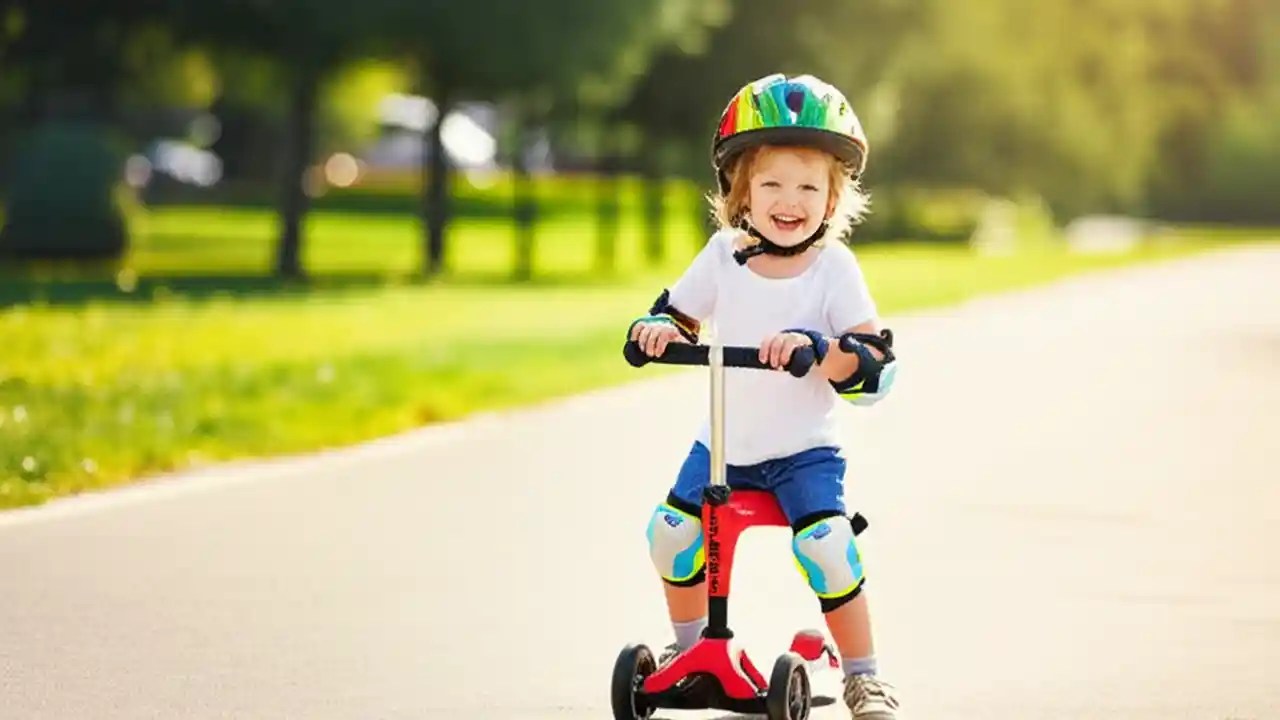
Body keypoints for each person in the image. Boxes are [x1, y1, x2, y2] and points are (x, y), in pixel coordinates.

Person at [628, 73, 901, 719]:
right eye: (772, 182)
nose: (790, 199)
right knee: (670, 535)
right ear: (740, 190)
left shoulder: (835, 269)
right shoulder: (724, 255)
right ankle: (691, 655)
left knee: (827, 548)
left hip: (804, 453)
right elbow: (678, 314)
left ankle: (864, 676)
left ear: (834, 197)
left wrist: (819, 348)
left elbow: (875, 363)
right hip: (724, 447)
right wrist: (658, 330)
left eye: (809, 185)